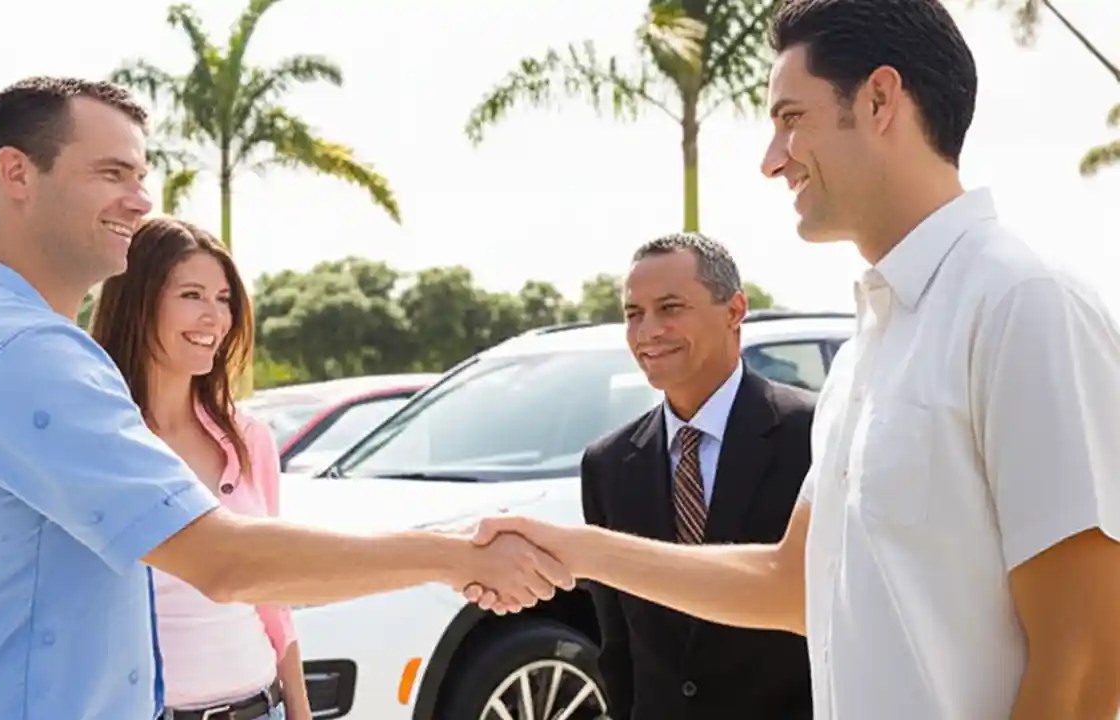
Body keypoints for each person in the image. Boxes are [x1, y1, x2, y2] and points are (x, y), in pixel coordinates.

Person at [468, 1, 1120, 718]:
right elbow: (791, 584)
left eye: (790, 118)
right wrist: (573, 550)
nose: (772, 158)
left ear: (878, 99)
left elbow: (1087, 659)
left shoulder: (1025, 305)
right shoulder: (865, 352)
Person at [0, 76, 571, 720]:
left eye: (140, 175)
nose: (140, 199)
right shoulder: (24, 356)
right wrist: (454, 555)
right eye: (111, 172)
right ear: (17, 174)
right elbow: (226, 560)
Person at [582, 232, 813, 720]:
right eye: (633, 314)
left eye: (670, 307)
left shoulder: (813, 436)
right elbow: (617, 648)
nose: (648, 331)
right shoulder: (607, 465)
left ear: (734, 311)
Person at [89, 217, 309, 720]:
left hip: (261, 708)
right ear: (137, 302)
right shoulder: (99, 441)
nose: (215, 317)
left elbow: (273, 592)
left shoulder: (247, 437)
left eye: (224, 298)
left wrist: (298, 708)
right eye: (192, 295)